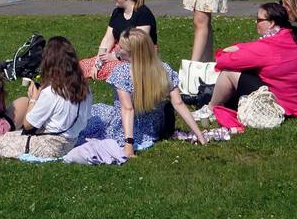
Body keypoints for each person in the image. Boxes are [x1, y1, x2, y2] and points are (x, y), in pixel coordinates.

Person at [75, 31, 207, 155]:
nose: (117, 51)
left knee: (86, 121)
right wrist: (199, 135)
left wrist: (129, 145)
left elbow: (127, 109)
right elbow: (178, 104)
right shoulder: (164, 70)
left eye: (121, 48)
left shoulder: (122, 73)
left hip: (124, 129)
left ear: (133, 53)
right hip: (154, 129)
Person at [208, 1, 297, 128]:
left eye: (259, 20)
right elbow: (252, 48)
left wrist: (225, 51)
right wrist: (239, 47)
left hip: (281, 106)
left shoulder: (267, 48)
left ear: (271, 23)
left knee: (229, 71)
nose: (256, 23)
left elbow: (223, 61)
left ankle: (211, 108)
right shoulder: (294, 38)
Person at [80, 0, 157, 82]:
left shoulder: (143, 14)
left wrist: (116, 56)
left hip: (138, 56)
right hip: (119, 51)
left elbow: (138, 45)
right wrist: (98, 62)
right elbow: (108, 39)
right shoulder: (117, 13)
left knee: (114, 70)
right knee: (79, 67)